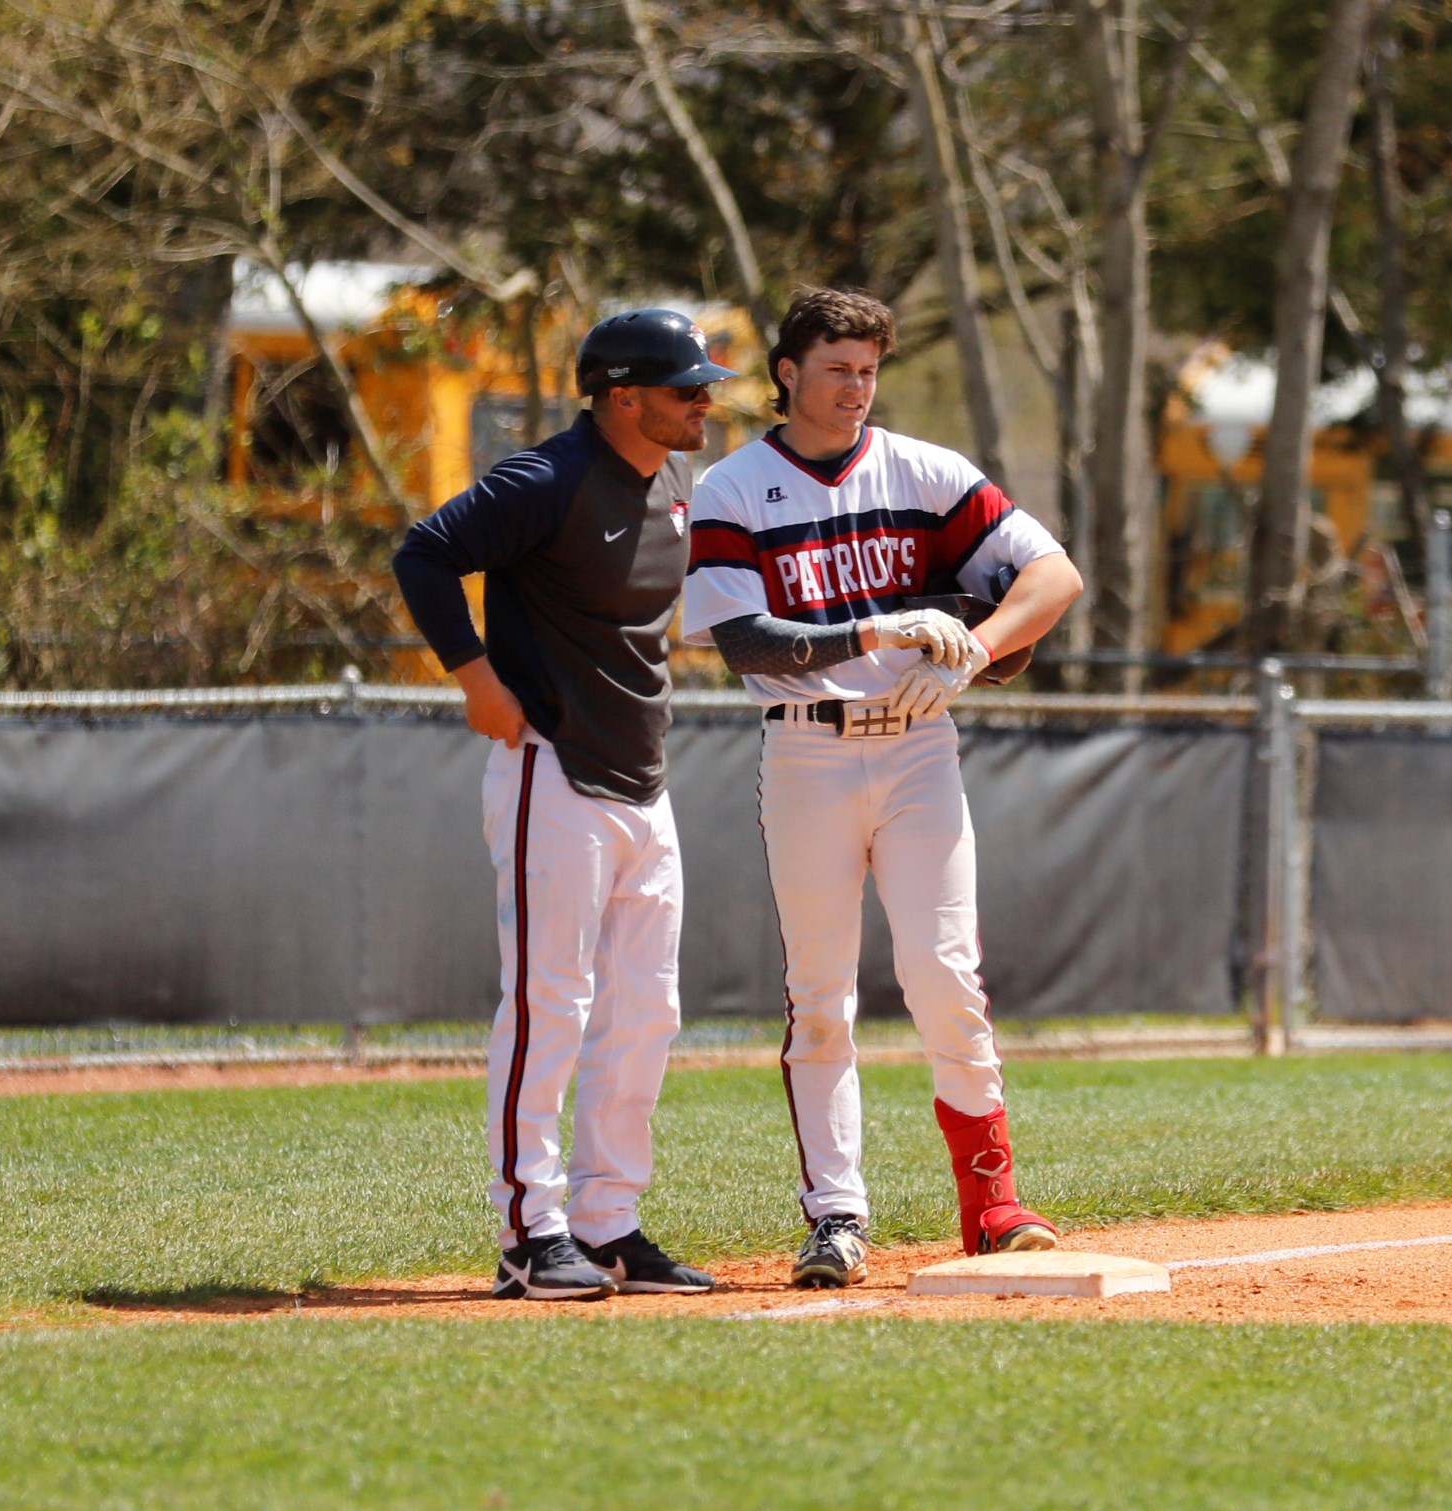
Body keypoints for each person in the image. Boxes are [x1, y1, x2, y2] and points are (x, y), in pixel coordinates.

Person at [680, 287, 1085, 1288]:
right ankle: (837, 1217)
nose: (856, 389)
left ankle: (991, 1206)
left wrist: (971, 651)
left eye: (868, 371)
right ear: (786, 372)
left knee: (946, 973)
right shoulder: (735, 486)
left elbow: (1055, 577)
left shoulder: (926, 471)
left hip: (918, 747)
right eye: (835, 370)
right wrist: (883, 628)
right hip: (807, 747)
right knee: (819, 996)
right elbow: (743, 642)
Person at [392, 309, 732, 1300]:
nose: (703, 402)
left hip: (644, 779)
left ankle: (609, 1221)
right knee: (552, 1006)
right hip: (553, 768)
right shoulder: (545, 478)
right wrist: (473, 674)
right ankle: (527, 1231)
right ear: (624, 396)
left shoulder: (671, 482)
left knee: (647, 1012)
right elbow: (425, 550)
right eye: (685, 388)